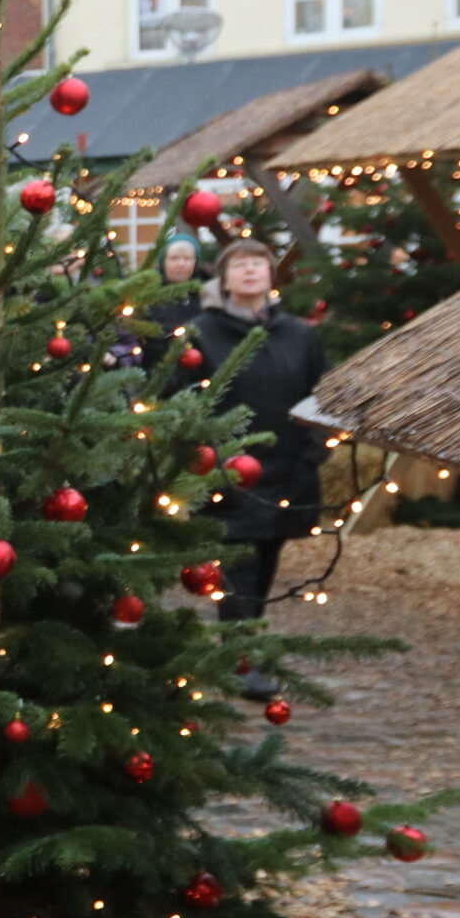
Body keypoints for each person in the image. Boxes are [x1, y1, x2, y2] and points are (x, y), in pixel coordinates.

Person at [176, 237, 329, 637]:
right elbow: (178, 397)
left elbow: (324, 397)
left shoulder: (299, 335)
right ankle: (241, 655)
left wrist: (311, 456)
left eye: (258, 263)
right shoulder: (200, 333)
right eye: (239, 264)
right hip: (227, 472)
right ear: (224, 278)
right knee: (237, 568)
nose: (249, 270)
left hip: (288, 470)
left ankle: (246, 650)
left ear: (270, 274)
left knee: (264, 564)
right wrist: (201, 460)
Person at [140, 230, 206, 365]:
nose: (181, 264)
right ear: (163, 262)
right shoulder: (147, 294)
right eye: (174, 258)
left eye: (187, 259)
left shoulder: (208, 293)